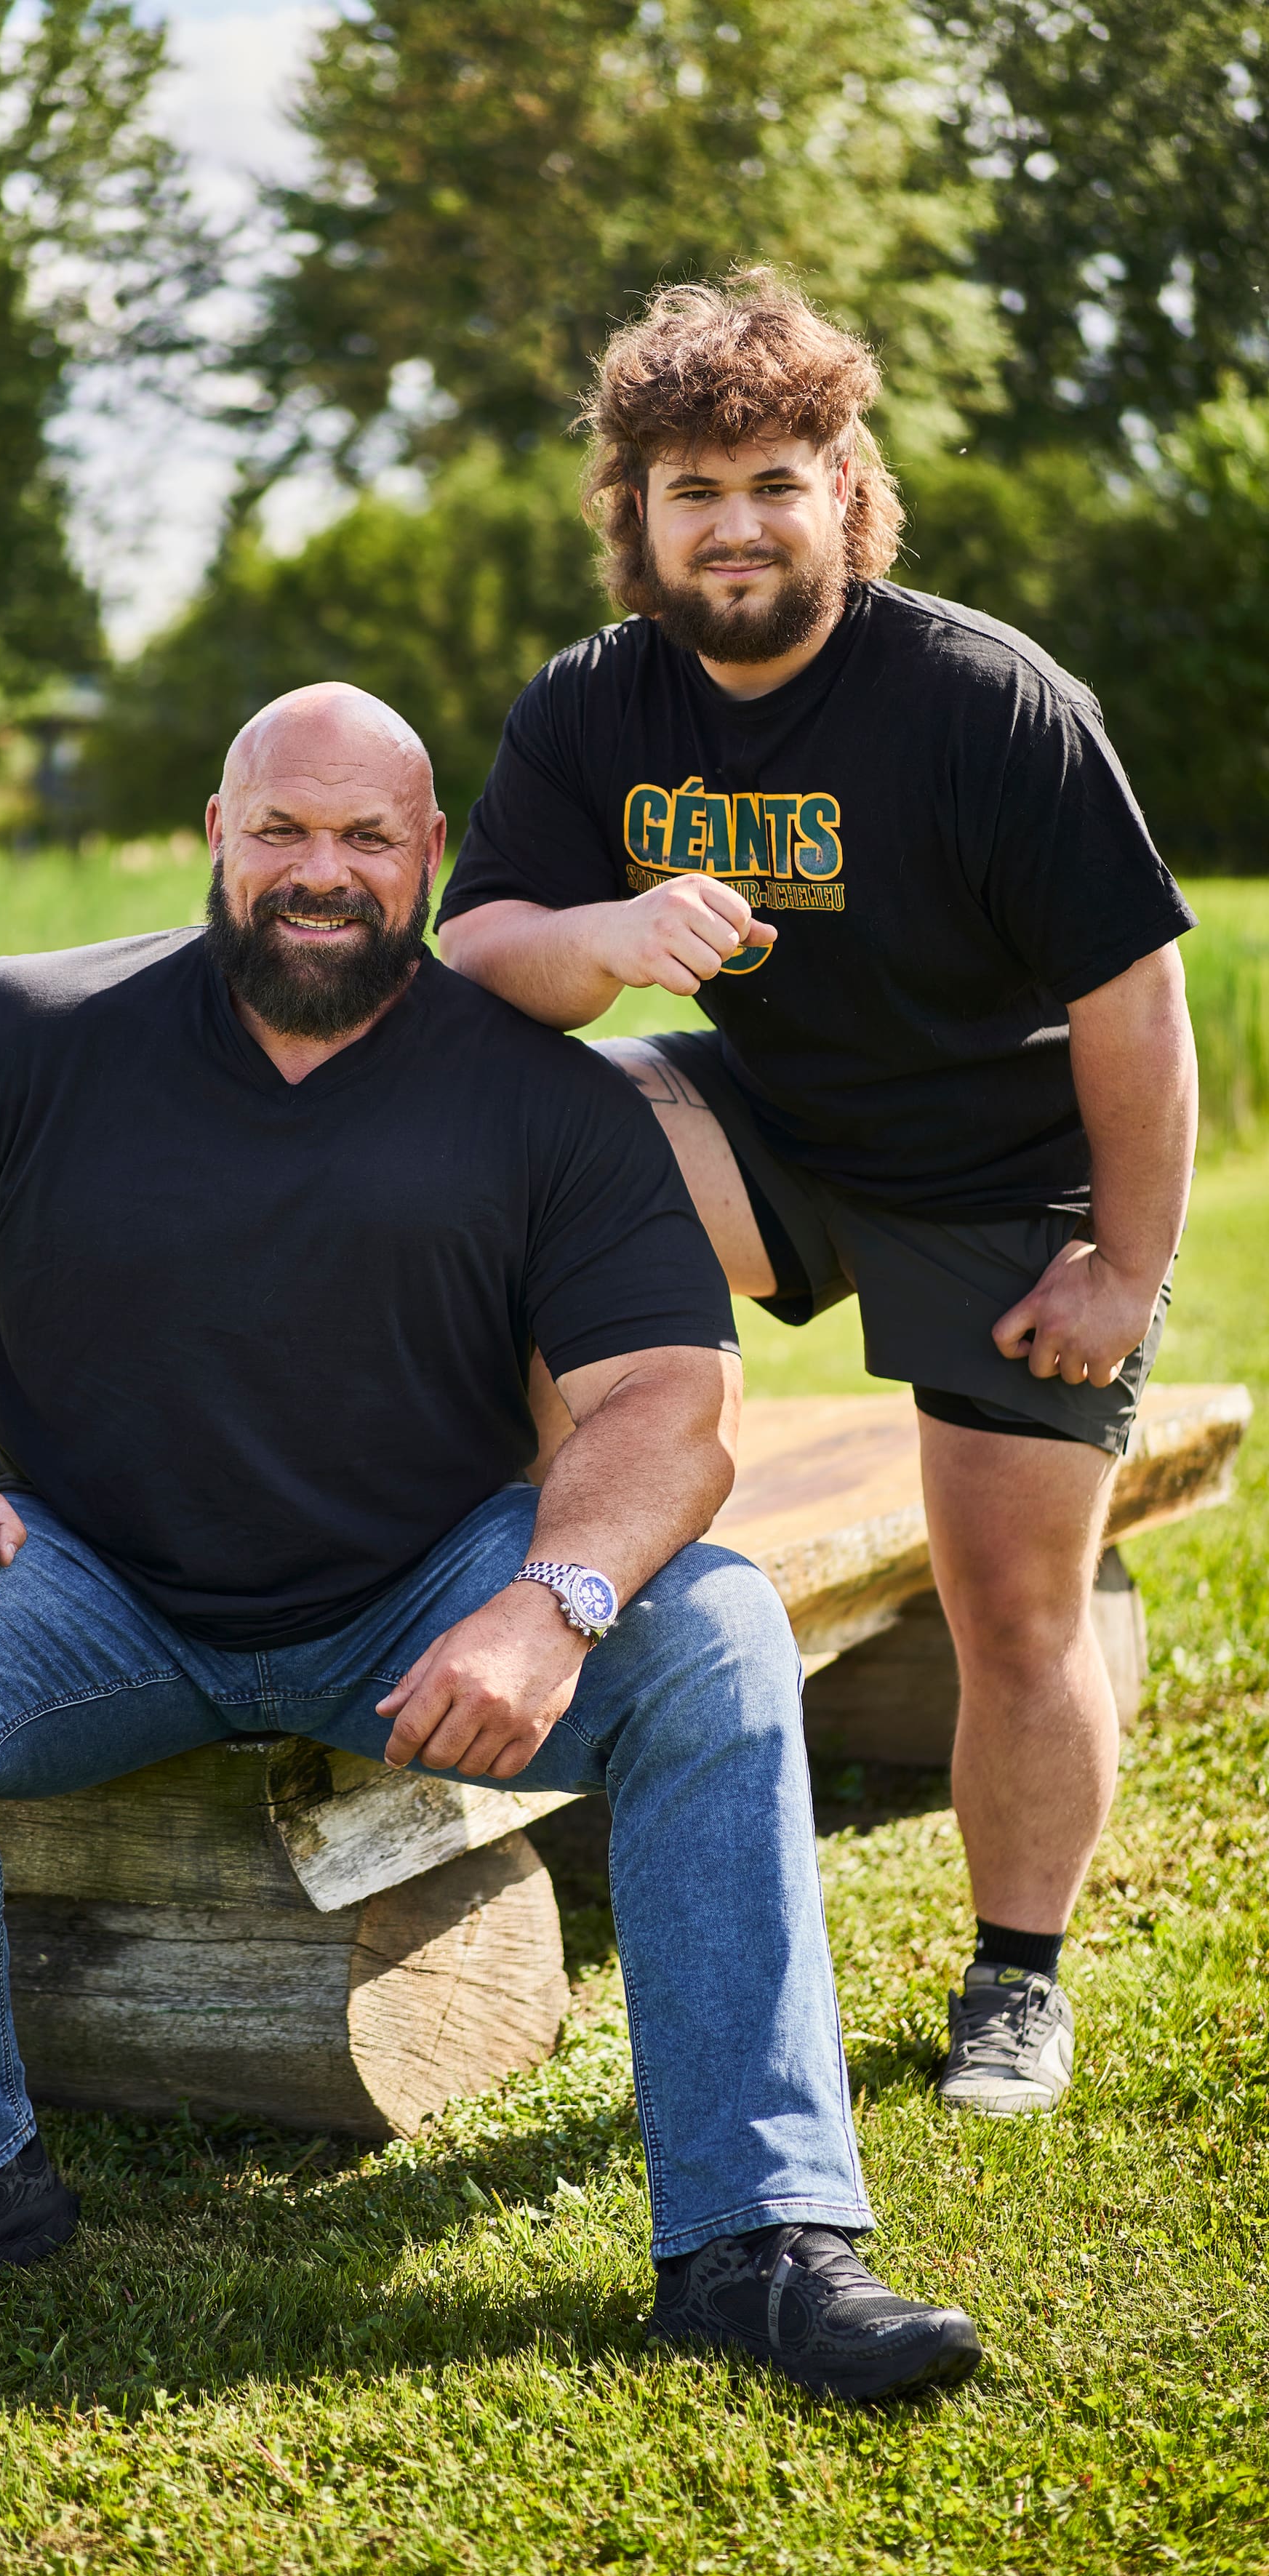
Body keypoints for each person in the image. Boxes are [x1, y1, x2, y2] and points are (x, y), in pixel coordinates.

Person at [0, 681, 980, 2400]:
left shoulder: (546, 1100)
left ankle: (753, 2235)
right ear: (214, 834)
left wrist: (548, 1606)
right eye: (280, 830)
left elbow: (658, 1407)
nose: (317, 873)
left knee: (711, 1632)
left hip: (424, 1587)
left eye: (364, 838)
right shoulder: (17, 1029)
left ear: (427, 859)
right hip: (93, 1582)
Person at [436, 274, 1199, 2122]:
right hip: (766, 1128)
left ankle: (1014, 1980)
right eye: (690, 488)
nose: (734, 523)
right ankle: (532, 1586)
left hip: (1002, 1182)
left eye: (773, 479)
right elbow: (477, 952)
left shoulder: (985, 701)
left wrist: (1122, 1263)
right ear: (632, 514)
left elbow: (1137, 1008)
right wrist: (611, 934)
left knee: (1010, 1600)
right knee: (522, 1127)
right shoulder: (594, 704)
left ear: (842, 489)